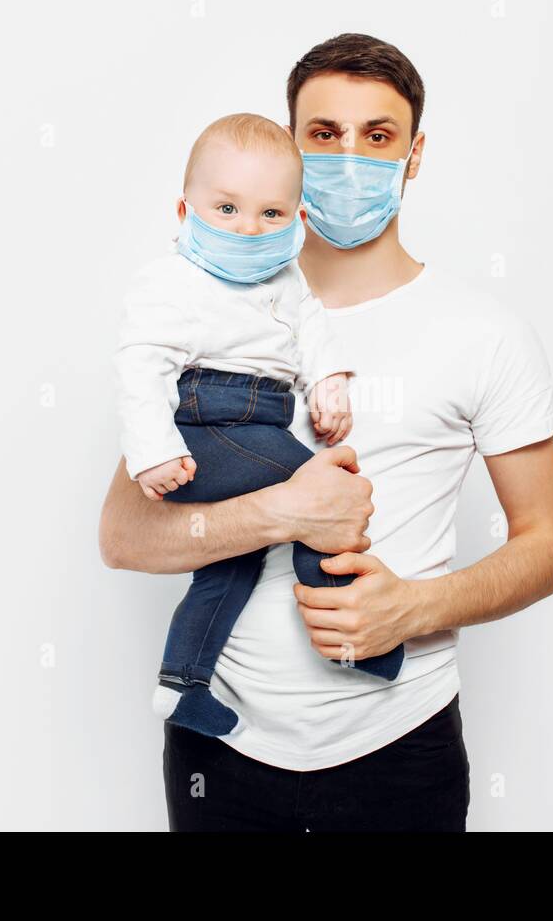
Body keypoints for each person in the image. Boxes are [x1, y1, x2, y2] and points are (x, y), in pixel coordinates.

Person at [100, 33, 553, 832]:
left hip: (401, 743)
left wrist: (415, 608)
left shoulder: (485, 333)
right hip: (224, 750)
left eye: (377, 137)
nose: (348, 158)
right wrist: (283, 514)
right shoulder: (214, 311)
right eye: (323, 134)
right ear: (290, 146)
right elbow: (125, 535)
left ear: (414, 154)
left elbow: (547, 543)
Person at [115, 112, 403, 740]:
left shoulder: (287, 278)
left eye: (270, 214)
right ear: (184, 208)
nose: (248, 228)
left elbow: (313, 330)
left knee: (230, 563)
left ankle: (182, 683)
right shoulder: (170, 281)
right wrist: (153, 453)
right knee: (323, 492)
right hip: (205, 420)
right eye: (225, 208)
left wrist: (328, 384)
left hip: (263, 412)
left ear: (298, 220)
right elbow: (141, 367)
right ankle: (354, 641)